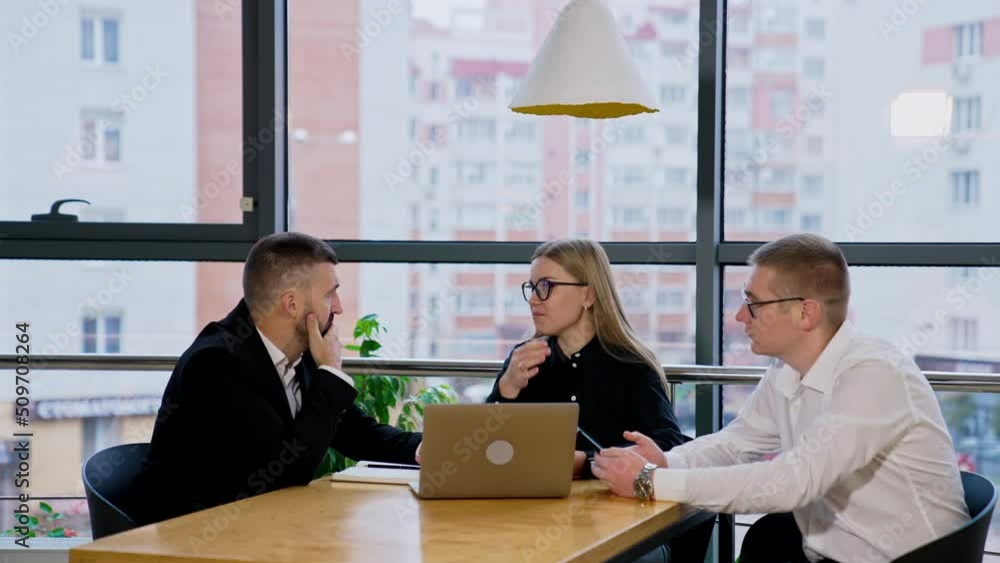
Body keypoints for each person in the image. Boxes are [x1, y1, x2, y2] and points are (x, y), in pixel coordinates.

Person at [593, 233, 970, 563]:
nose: (740, 316)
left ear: (806, 312)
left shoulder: (875, 374)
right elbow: (737, 443)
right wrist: (668, 462)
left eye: (753, 303)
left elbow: (793, 481)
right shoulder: (787, 369)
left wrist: (650, 482)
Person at [131, 232, 421, 526]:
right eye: (329, 294)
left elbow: (357, 432)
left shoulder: (298, 351)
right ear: (292, 304)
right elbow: (284, 476)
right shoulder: (216, 364)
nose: (339, 307)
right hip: (190, 542)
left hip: (258, 529)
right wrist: (331, 373)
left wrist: (427, 449)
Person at [486, 238, 705, 562]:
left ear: (588, 294)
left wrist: (587, 462)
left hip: (623, 526)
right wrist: (506, 390)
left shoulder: (631, 365)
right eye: (531, 288)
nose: (534, 300)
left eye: (546, 287)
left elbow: (667, 445)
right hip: (534, 519)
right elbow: (486, 449)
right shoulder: (524, 361)